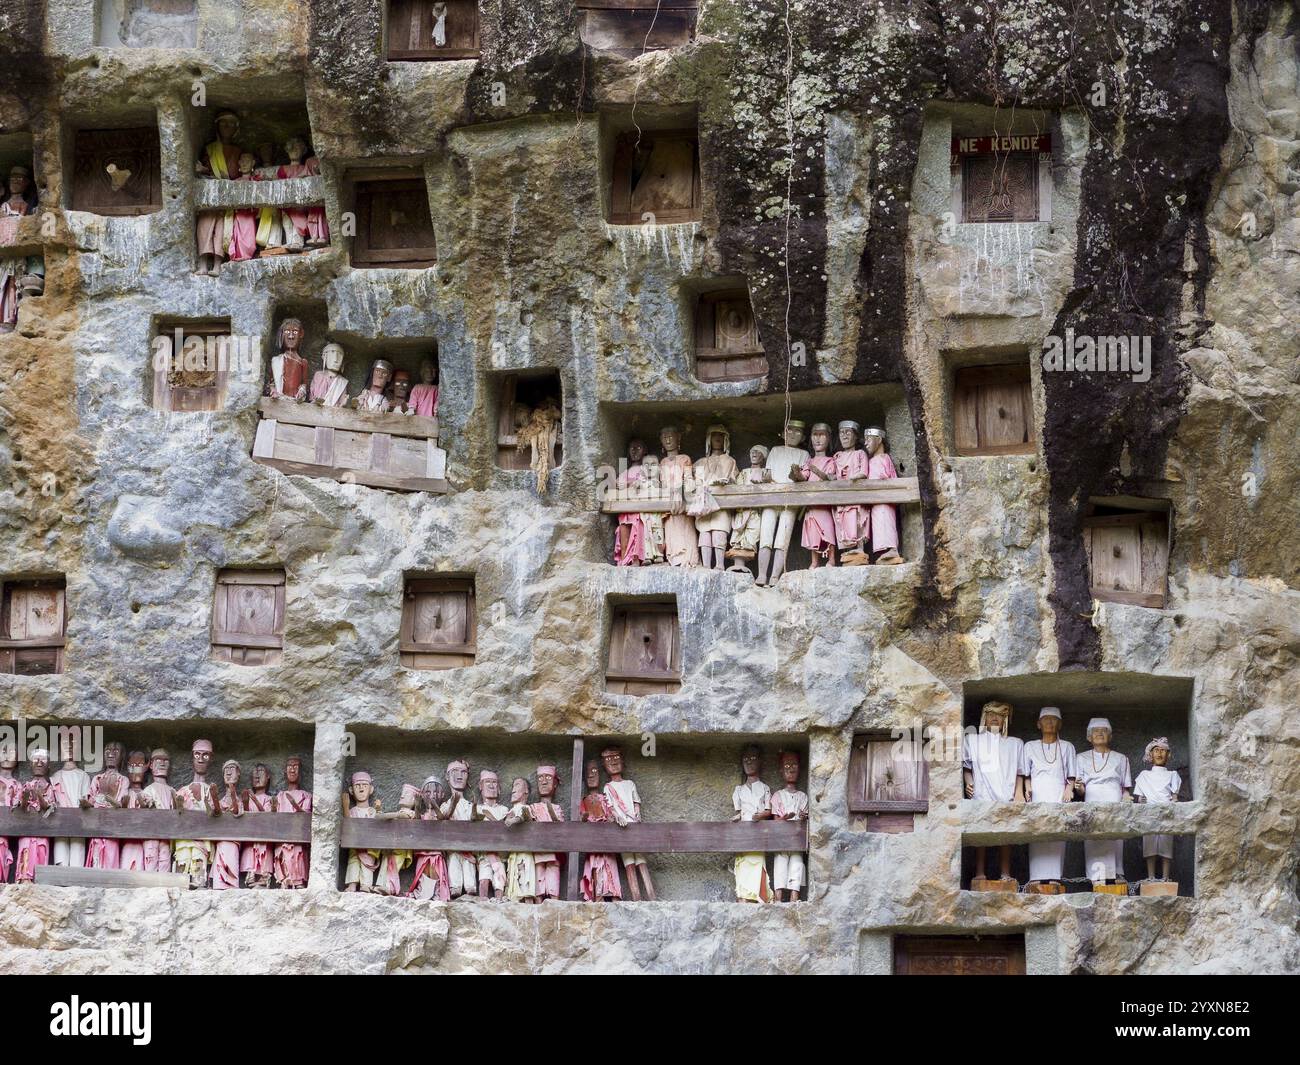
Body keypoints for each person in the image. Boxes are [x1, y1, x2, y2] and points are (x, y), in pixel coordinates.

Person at [962, 700, 1024, 882]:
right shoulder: (972, 740)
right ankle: (979, 873)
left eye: (999, 715)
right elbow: (966, 766)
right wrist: (968, 782)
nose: (994, 718)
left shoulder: (1015, 743)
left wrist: (1019, 792)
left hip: (1007, 793)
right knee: (981, 832)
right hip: (981, 791)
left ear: (1005, 719)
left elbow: (1020, 771)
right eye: (990, 715)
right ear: (984, 717)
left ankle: (1006, 873)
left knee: (1005, 834)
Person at [1019, 707, 1076, 884]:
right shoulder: (1030, 746)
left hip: (1059, 793)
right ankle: (1036, 877)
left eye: (1053, 720)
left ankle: (1054, 877)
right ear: (1039, 724)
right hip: (1037, 793)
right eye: (1046, 719)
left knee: (1057, 832)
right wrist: (1026, 788)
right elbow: (1026, 773)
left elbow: (1072, 774)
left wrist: (1069, 789)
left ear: (1060, 724)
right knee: (1037, 831)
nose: (1049, 723)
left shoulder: (1067, 746)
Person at [1074, 718, 1133, 883]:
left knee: (1115, 834)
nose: (1099, 734)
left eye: (1104, 730)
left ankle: (1117, 874)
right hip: (1092, 796)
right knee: (1093, 835)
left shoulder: (1121, 758)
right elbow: (1081, 788)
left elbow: (1125, 788)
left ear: (1110, 735)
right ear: (1089, 737)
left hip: (1114, 796)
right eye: (1095, 731)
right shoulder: (1080, 758)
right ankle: (1096, 877)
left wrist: (1126, 798)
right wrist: (1079, 788)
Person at [1134, 737, 1181, 882]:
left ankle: (1166, 877)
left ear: (1168, 755)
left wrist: (1174, 802)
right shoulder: (1144, 776)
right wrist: (1141, 801)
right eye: (1156, 750)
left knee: (1166, 844)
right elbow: (1139, 798)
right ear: (1150, 754)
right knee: (1150, 844)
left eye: (1163, 751)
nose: (1160, 754)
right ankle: (1151, 876)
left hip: (1166, 812)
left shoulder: (1172, 775)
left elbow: (1174, 796)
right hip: (1148, 813)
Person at [731, 745, 771, 903]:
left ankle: (759, 896)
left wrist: (760, 815)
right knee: (743, 864)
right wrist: (737, 816)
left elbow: (769, 810)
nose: (749, 762)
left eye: (753, 758)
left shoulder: (764, 788)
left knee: (757, 863)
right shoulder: (739, 790)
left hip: (758, 831)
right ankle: (743, 897)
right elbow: (739, 812)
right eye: (745, 759)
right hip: (743, 833)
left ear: (760, 762)